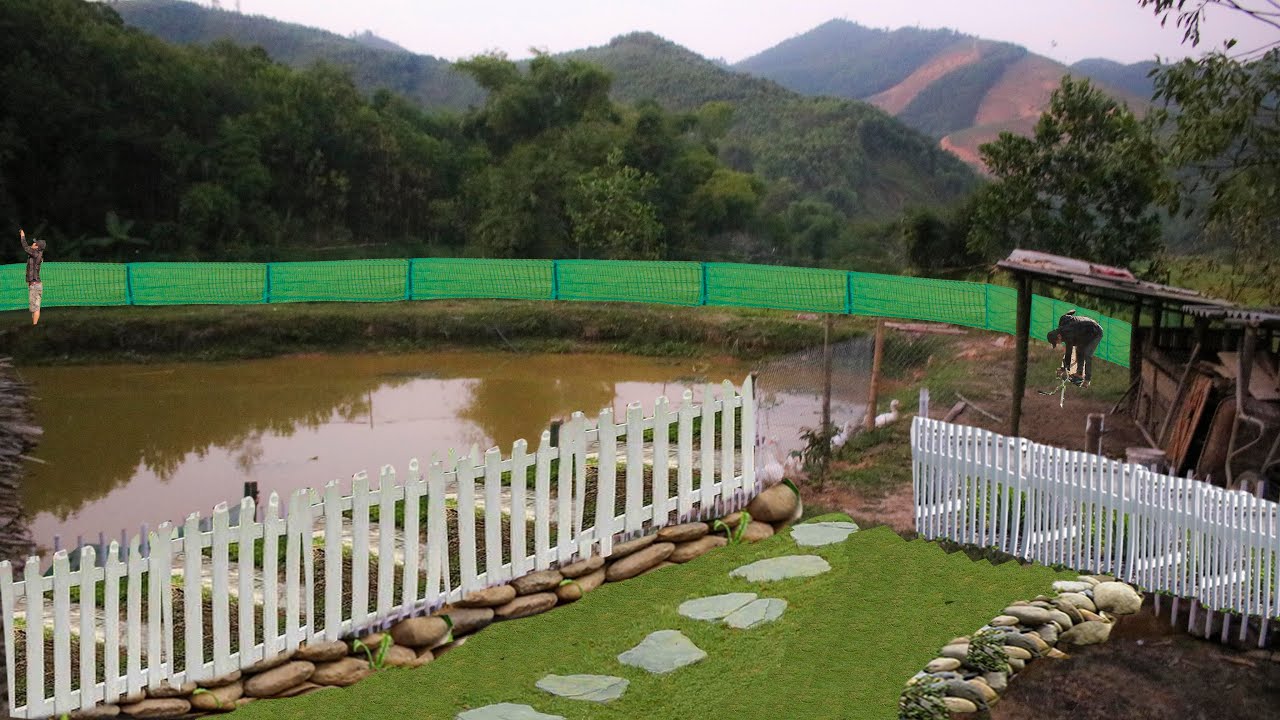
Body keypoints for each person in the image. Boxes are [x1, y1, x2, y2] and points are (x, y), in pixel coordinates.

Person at [1046, 310, 1103, 388]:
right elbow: (1065, 316)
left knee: (1087, 354)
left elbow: (1068, 353)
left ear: (1059, 336)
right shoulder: (1062, 324)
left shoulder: (1068, 334)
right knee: (1079, 349)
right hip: (1084, 333)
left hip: (1095, 332)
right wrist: (1064, 368)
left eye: (1056, 342)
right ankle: (1079, 374)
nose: (1058, 343)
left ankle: (1087, 380)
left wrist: (1065, 370)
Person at [19, 228, 44, 325]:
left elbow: (25, 247)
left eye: (35, 243)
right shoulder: (37, 254)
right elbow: (29, 249)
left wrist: (22, 236)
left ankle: (34, 328)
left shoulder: (35, 253)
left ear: (37, 247)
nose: (33, 244)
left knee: (35, 308)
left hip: (35, 285)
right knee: (34, 308)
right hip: (35, 284)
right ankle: (35, 326)